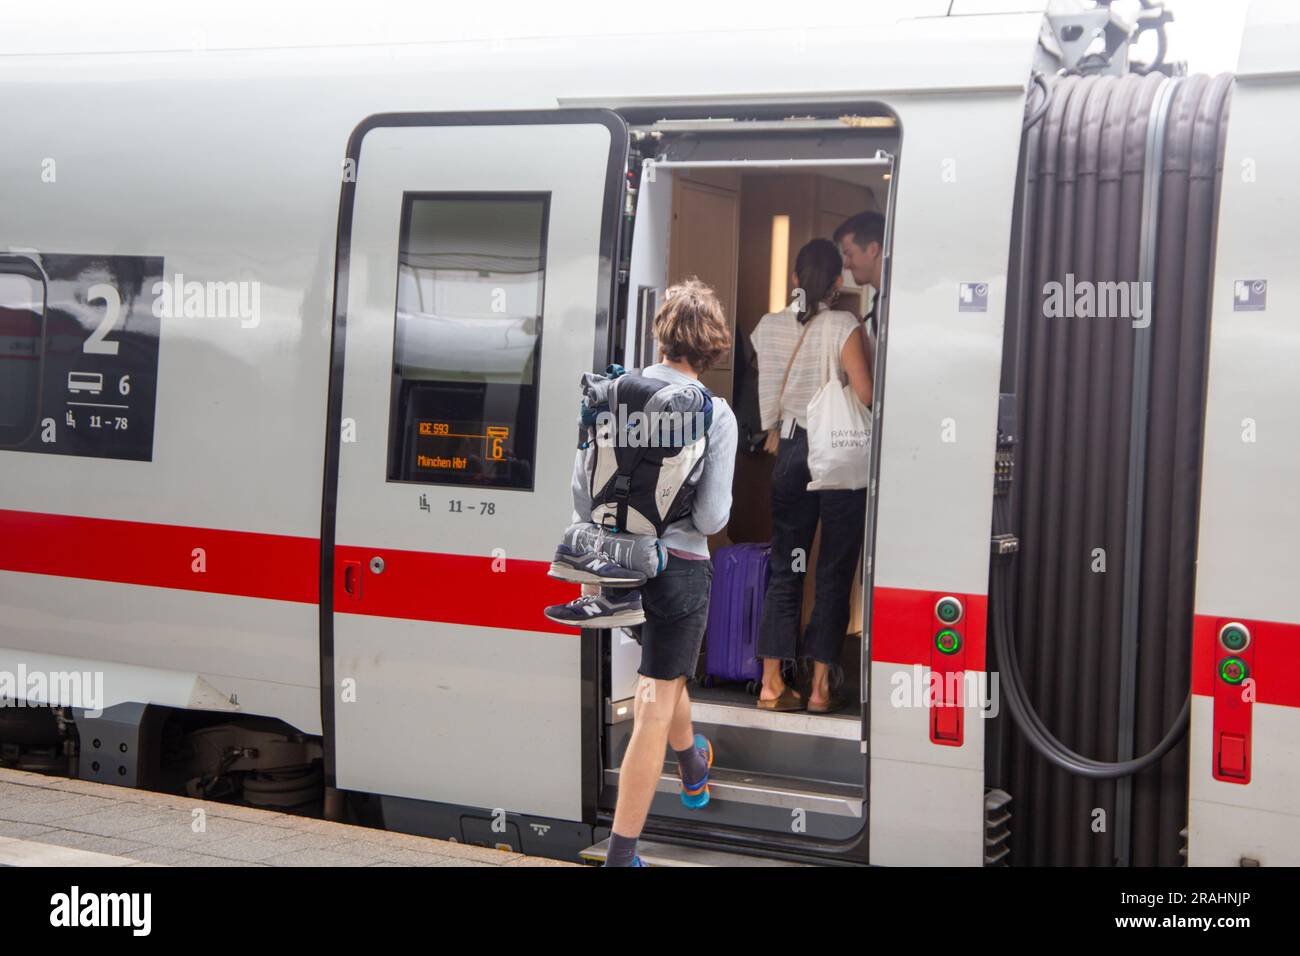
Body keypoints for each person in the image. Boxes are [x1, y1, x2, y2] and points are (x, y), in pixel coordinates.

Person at [573, 278, 737, 867]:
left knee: (664, 678)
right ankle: (622, 854)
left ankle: (693, 763)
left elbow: (581, 492)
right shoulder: (714, 413)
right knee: (653, 699)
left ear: (661, 333)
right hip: (679, 570)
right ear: (712, 345)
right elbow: (715, 515)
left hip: (619, 564)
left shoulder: (612, 392)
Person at [751, 239, 873, 713]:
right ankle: (820, 688)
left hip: (791, 453)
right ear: (837, 283)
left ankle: (771, 682)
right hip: (836, 456)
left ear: (797, 278)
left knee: (789, 567)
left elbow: (771, 383)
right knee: (833, 571)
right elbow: (863, 394)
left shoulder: (769, 326)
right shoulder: (844, 324)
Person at [833, 210, 886, 358]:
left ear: (873, 249)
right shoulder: (881, 301)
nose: (846, 265)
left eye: (849, 254)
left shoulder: (894, 303)